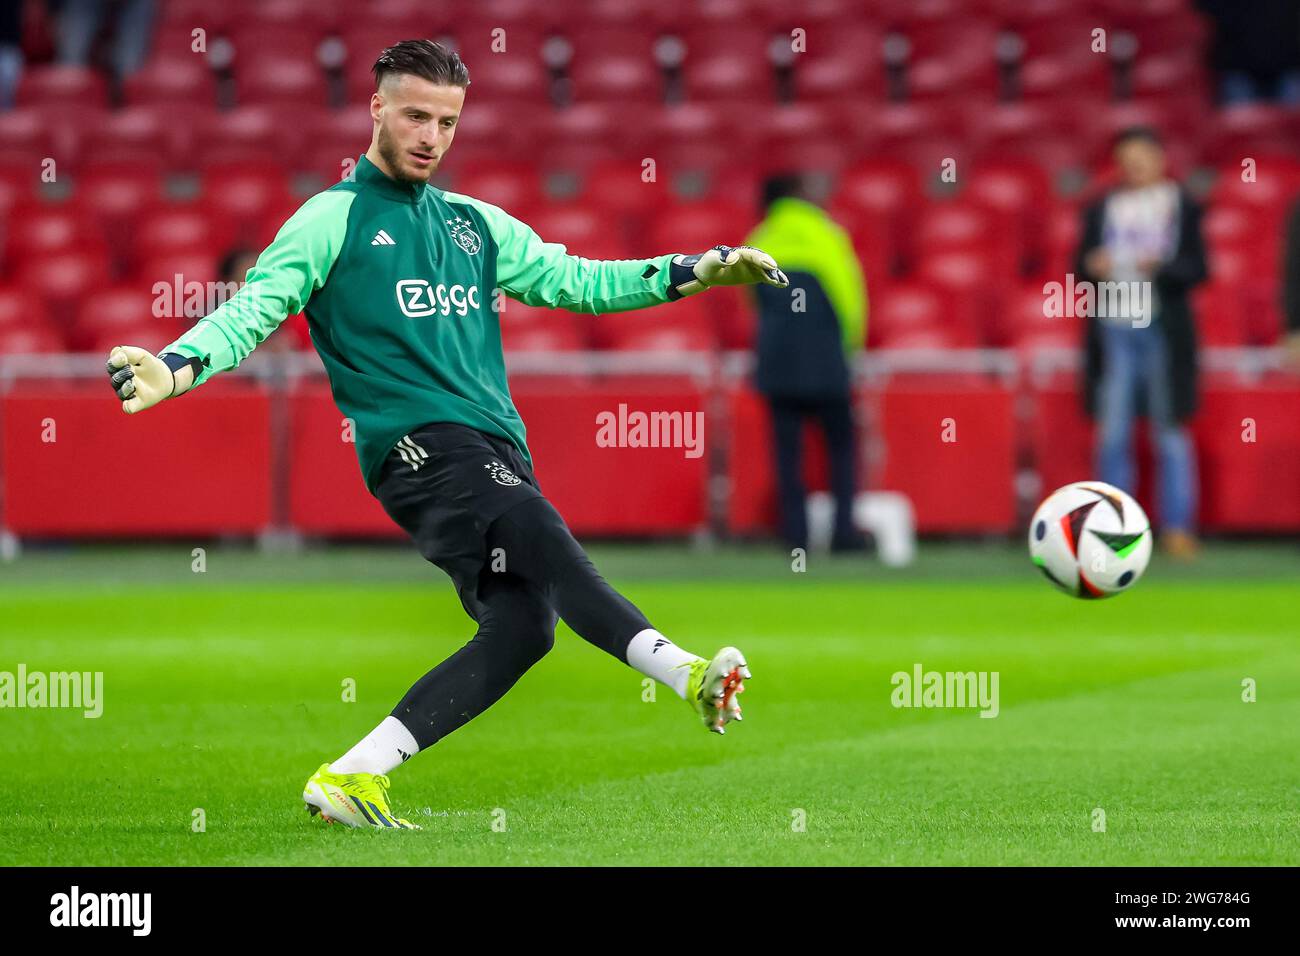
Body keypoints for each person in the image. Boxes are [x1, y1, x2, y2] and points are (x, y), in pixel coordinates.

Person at [104, 40, 789, 830]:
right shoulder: (332, 219)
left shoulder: (474, 225)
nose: (431, 135)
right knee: (538, 531)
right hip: (418, 446)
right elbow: (255, 309)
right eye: (416, 115)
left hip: (494, 447)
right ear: (377, 110)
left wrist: (695, 269)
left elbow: (577, 280)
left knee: (524, 627)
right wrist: (177, 364)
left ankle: (355, 775)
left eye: (447, 121)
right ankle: (688, 672)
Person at [1077, 127, 1208, 560]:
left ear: (1159, 159)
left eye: (1141, 157)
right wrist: (1091, 266)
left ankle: (1177, 527)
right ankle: (1113, 528)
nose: (1133, 166)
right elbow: (1077, 265)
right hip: (1114, 325)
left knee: (1168, 430)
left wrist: (1165, 267)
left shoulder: (1180, 205)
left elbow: (1198, 268)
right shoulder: (1103, 207)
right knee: (1113, 434)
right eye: (1125, 158)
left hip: (1161, 327)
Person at [744, 173, 867, 552]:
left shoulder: (759, 239)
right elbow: (849, 297)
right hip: (826, 359)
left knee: (787, 454)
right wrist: (850, 347)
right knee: (842, 448)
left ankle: (795, 537)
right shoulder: (827, 233)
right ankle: (843, 533)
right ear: (798, 195)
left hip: (778, 362)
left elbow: (753, 301)